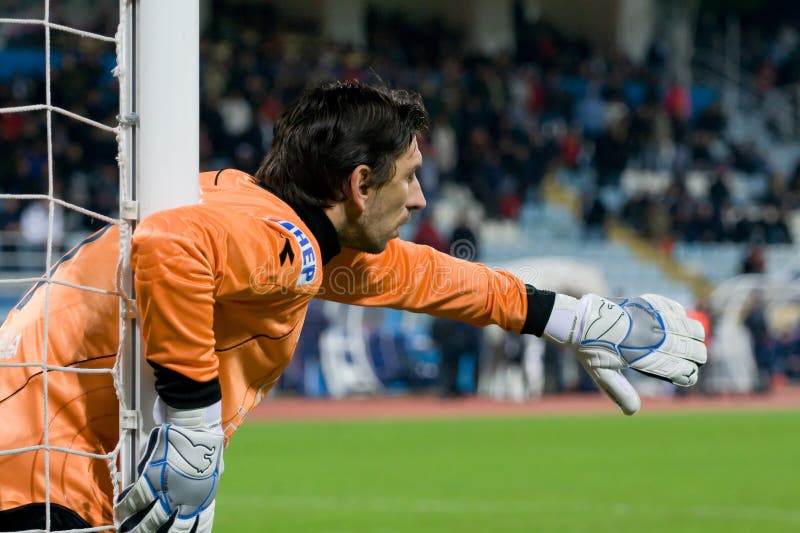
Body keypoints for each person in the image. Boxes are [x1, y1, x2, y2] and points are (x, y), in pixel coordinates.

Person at [0, 80, 707, 532]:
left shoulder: (302, 241)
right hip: (35, 472)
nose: (422, 199)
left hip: (57, 463)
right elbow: (168, 246)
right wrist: (193, 425)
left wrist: (583, 320)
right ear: (362, 184)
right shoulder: (276, 238)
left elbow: (440, 280)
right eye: (412, 177)